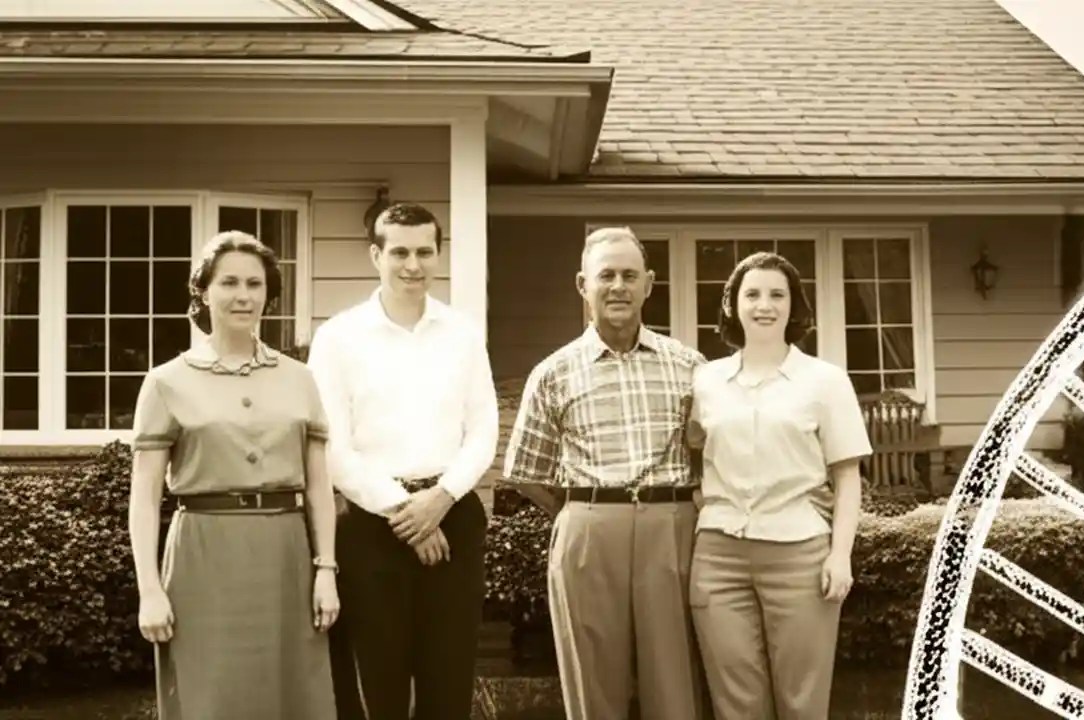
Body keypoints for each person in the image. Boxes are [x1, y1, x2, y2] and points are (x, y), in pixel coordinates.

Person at [128, 231, 340, 720]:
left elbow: (319, 487)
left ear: (268, 294)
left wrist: (326, 570)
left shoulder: (300, 379)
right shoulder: (165, 382)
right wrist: (149, 590)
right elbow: (144, 498)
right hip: (203, 558)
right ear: (203, 292)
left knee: (292, 694)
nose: (243, 295)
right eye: (228, 283)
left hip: (286, 557)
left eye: (254, 283)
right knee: (212, 696)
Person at [503, 226, 708, 720]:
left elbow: (711, 454)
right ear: (583, 285)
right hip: (590, 529)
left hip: (670, 525)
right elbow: (525, 470)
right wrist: (583, 511)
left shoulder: (690, 366)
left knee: (675, 678)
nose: (618, 286)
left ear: (648, 284)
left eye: (629, 276)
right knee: (592, 679)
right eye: (606, 275)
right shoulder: (553, 372)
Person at [307, 201, 498, 720]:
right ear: (376, 255)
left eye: (424, 252)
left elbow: (483, 429)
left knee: (449, 679)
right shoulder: (338, 338)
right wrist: (403, 510)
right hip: (370, 526)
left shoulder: (462, 334)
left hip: (452, 515)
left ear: (437, 255)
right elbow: (331, 446)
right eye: (399, 253)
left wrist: (440, 499)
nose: (413, 265)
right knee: (378, 682)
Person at [686, 251, 871, 720]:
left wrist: (840, 555)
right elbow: (693, 454)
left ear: (794, 306)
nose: (764, 305)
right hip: (718, 557)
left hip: (799, 555)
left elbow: (847, 476)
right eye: (751, 294)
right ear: (732, 305)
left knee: (802, 701)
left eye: (776, 295)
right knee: (735, 703)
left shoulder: (826, 381)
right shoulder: (706, 381)